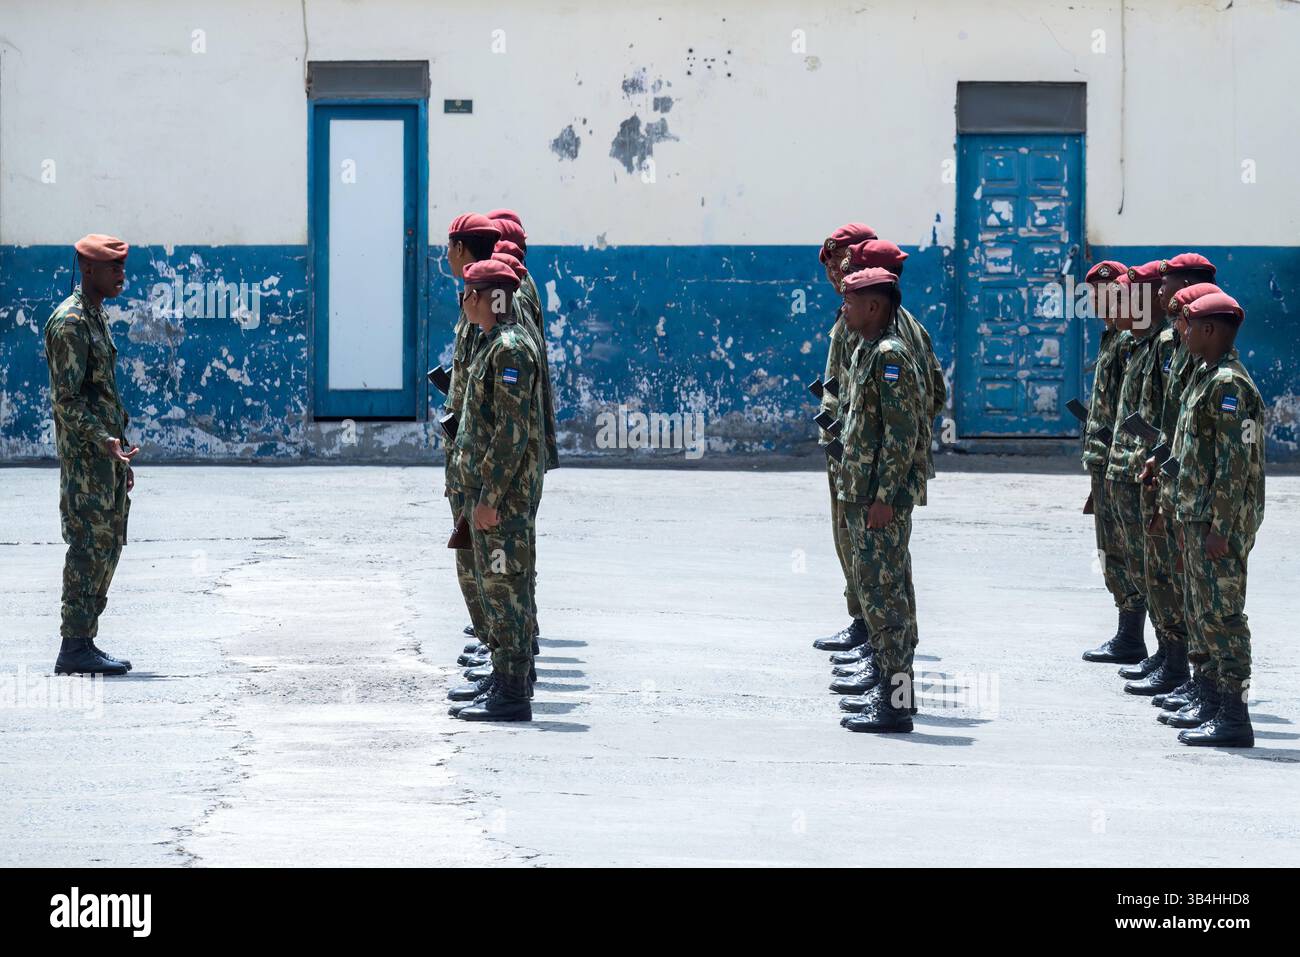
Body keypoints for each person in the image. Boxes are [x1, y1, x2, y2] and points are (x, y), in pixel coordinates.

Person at [1161, 291, 1264, 747]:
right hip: (1198, 516)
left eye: (1185, 326)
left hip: (1217, 522)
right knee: (1205, 612)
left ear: (1208, 330)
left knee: (1224, 617)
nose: (1180, 333)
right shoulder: (1207, 378)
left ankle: (1235, 718)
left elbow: (1233, 462)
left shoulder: (1229, 386)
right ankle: (1212, 700)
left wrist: (1221, 527)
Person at [447, 260, 547, 722]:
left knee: (505, 587)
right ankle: (504, 678)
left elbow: (511, 433)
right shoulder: (493, 345)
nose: (465, 301)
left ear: (494, 297)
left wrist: (488, 497)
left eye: (472, 293)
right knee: (497, 586)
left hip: (501, 497)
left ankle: (511, 692)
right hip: (488, 491)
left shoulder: (509, 350)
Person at [831, 268, 926, 734]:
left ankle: (896, 708)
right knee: (881, 596)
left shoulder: (892, 356)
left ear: (875, 307)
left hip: (877, 499)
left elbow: (901, 434)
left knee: (887, 602)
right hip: (861, 492)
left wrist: (884, 497)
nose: (844, 308)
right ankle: (894, 698)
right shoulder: (868, 351)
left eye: (852, 301)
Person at [45, 234, 138, 676]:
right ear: (87, 269)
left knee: (107, 545)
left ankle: (85, 639)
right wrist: (103, 441)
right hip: (86, 462)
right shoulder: (70, 323)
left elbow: (102, 393)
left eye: (122, 268)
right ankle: (73, 647)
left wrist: (118, 451)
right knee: (87, 547)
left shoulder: (95, 317)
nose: (121, 275)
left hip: (106, 458)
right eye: (112, 268)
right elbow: (67, 400)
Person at [811, 222, 878, 654]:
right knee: (845, 537)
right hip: (842, 446)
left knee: (869, 544)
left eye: (841, 263)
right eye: (832, 268)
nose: (835, 274)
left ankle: (877, 634)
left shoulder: (875, 315)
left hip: (864, 450)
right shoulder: (847, 312)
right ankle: (861, 621)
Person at [1077, 261, 1146, 665]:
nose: (1102, 304)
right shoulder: (1113, 338)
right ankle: (1128, 633)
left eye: (1110, 296)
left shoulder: (1128, 342)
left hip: (1121, 461)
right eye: (1096, 297)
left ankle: (1134, 637)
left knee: (1126, 550)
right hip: (1105, 460)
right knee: (1110, 548)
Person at [444, 214, 502, 657]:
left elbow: (508, 421)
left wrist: (491, 488)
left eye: (449, 246)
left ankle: (505, 667)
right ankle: (494, 650)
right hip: (470, 456)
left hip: (486, 466)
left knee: (495, 566)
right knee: (479, 560)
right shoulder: (480, 309)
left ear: (463, 249)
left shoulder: (503, 330)